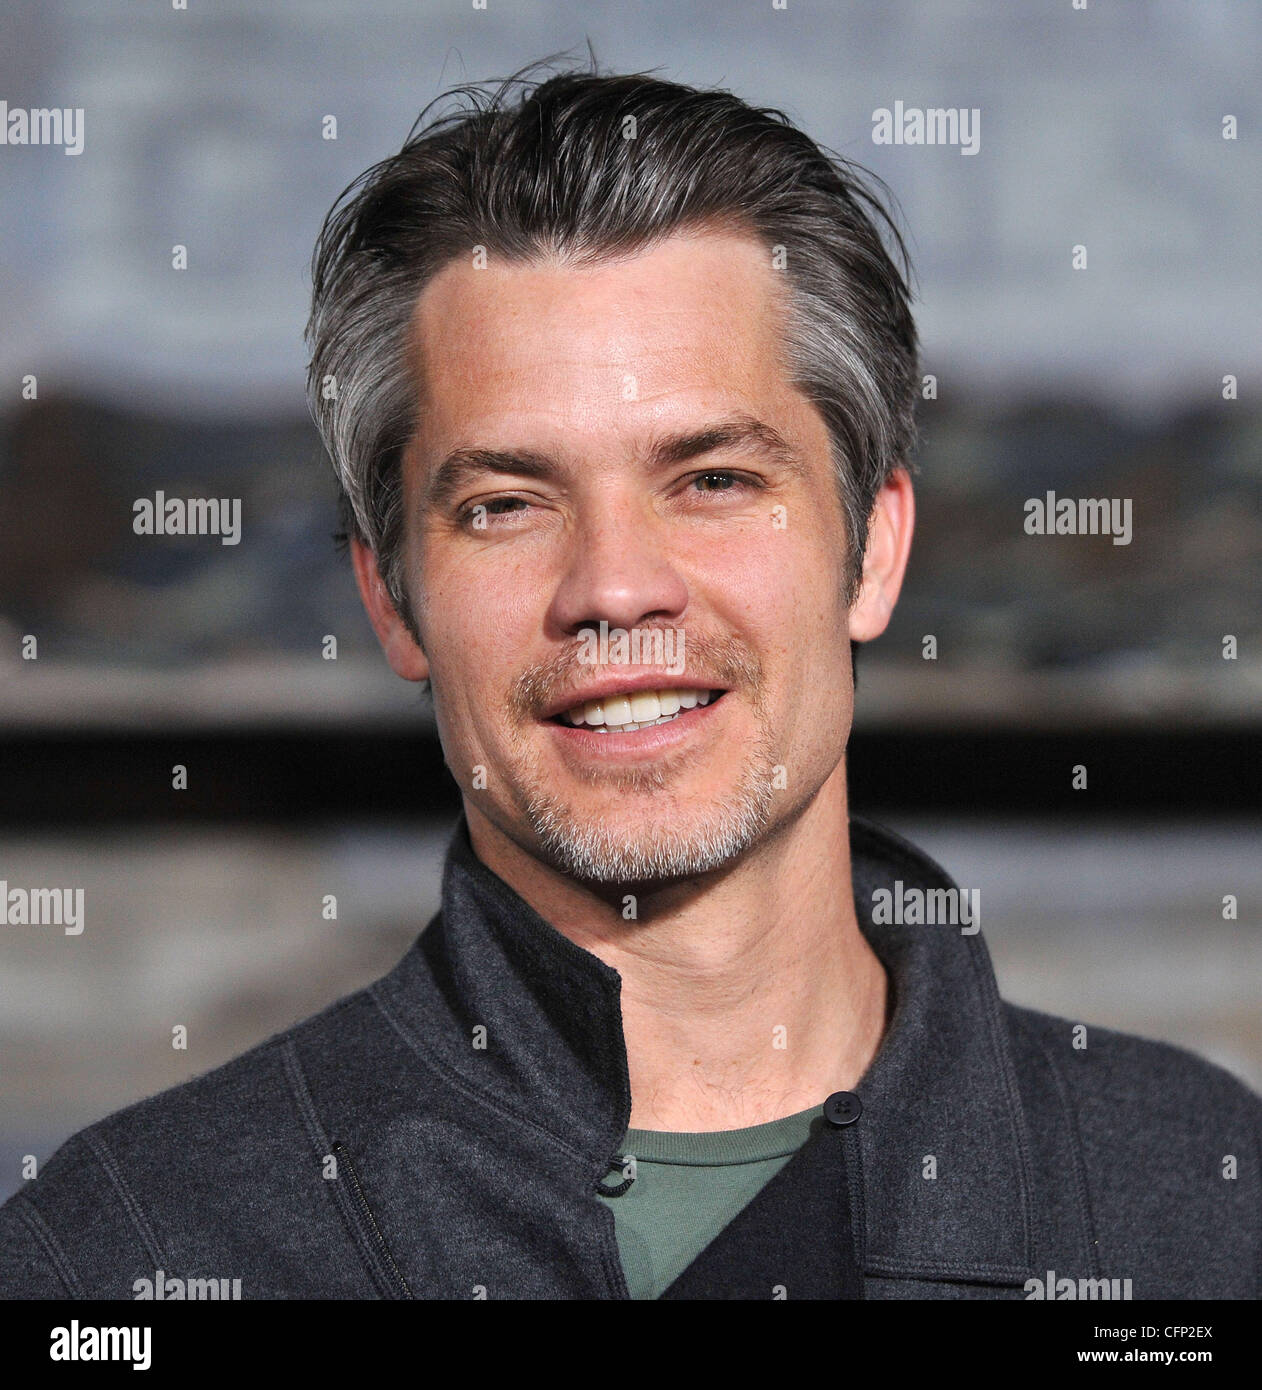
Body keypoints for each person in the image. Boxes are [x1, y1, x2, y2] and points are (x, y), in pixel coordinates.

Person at [2, 64, 1257, 1301]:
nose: (612, 586)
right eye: (504, 504)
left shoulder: (1196, 1205)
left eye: (711, 480)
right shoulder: (129, 1256)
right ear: (391, 600)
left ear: (870, 551)